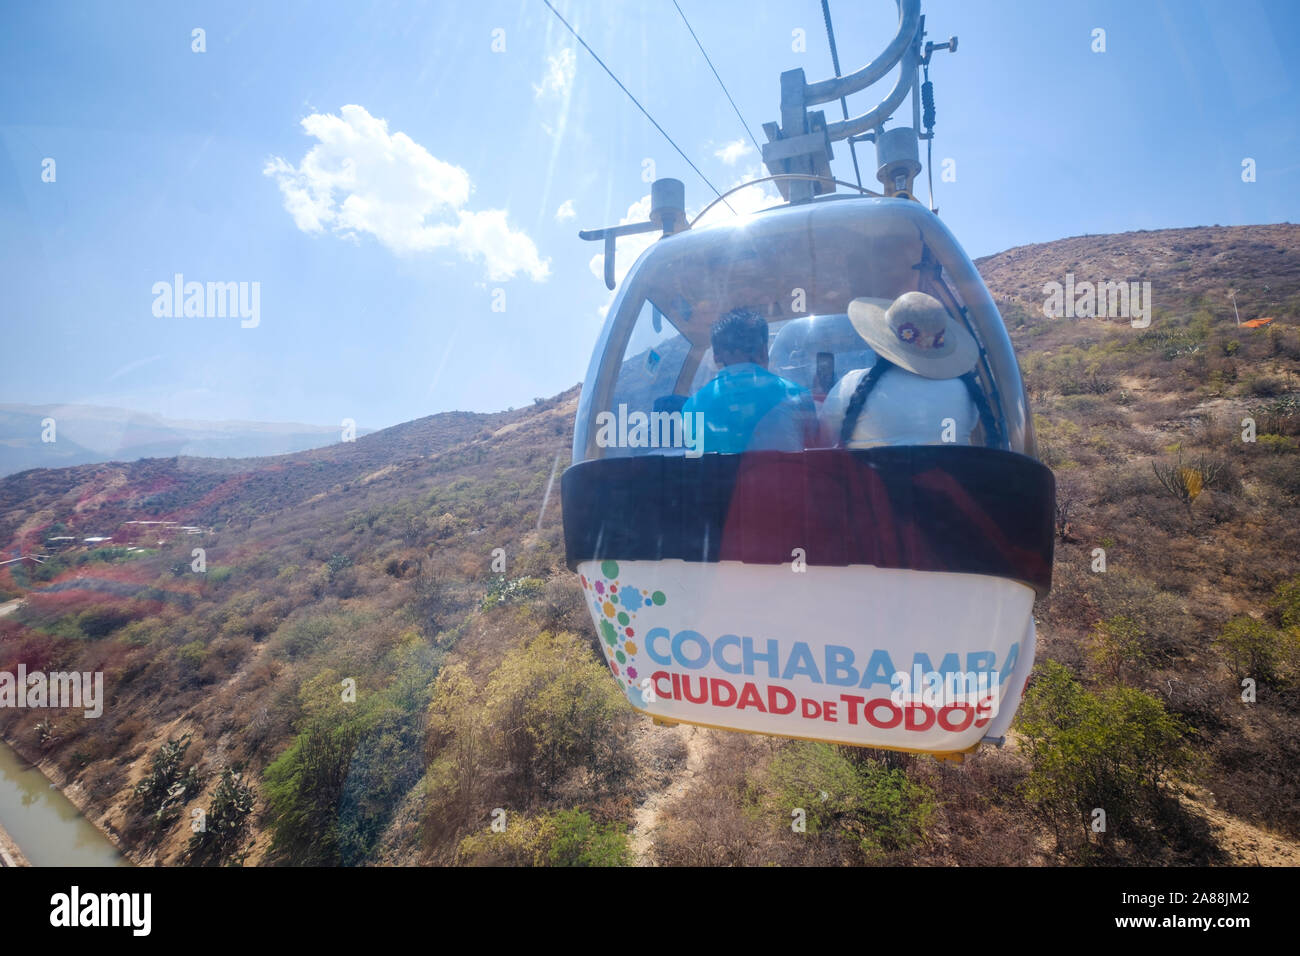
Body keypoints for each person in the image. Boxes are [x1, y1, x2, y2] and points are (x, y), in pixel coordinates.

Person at [819, 291, 1001, 448]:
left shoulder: (851, 386)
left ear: (882, 340)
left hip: (870, 489)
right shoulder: (967, 392)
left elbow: (827, 441)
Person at [683, 307, 818, 454]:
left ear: (716, 356)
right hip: (784, 476)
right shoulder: (799, 395)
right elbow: (813, 449)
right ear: (763, 351)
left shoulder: (690, 407)